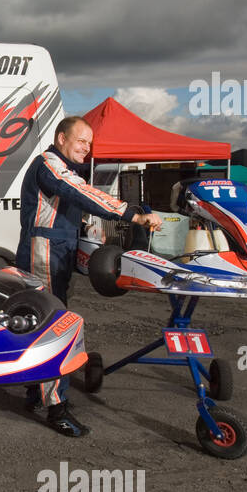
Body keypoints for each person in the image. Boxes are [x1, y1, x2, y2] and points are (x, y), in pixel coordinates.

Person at [16, 116, 164, 437]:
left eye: (89, 143)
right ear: (61, 139)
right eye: (81, 141)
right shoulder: (49, 164)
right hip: (44, 249)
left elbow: (76, 205)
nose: (86, 148)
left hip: (57, 248)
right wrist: (133, 214)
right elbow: (84, 194)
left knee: (42, 322)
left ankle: (36, 393)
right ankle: (56, 407)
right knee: (54, 326)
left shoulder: (61, 166)